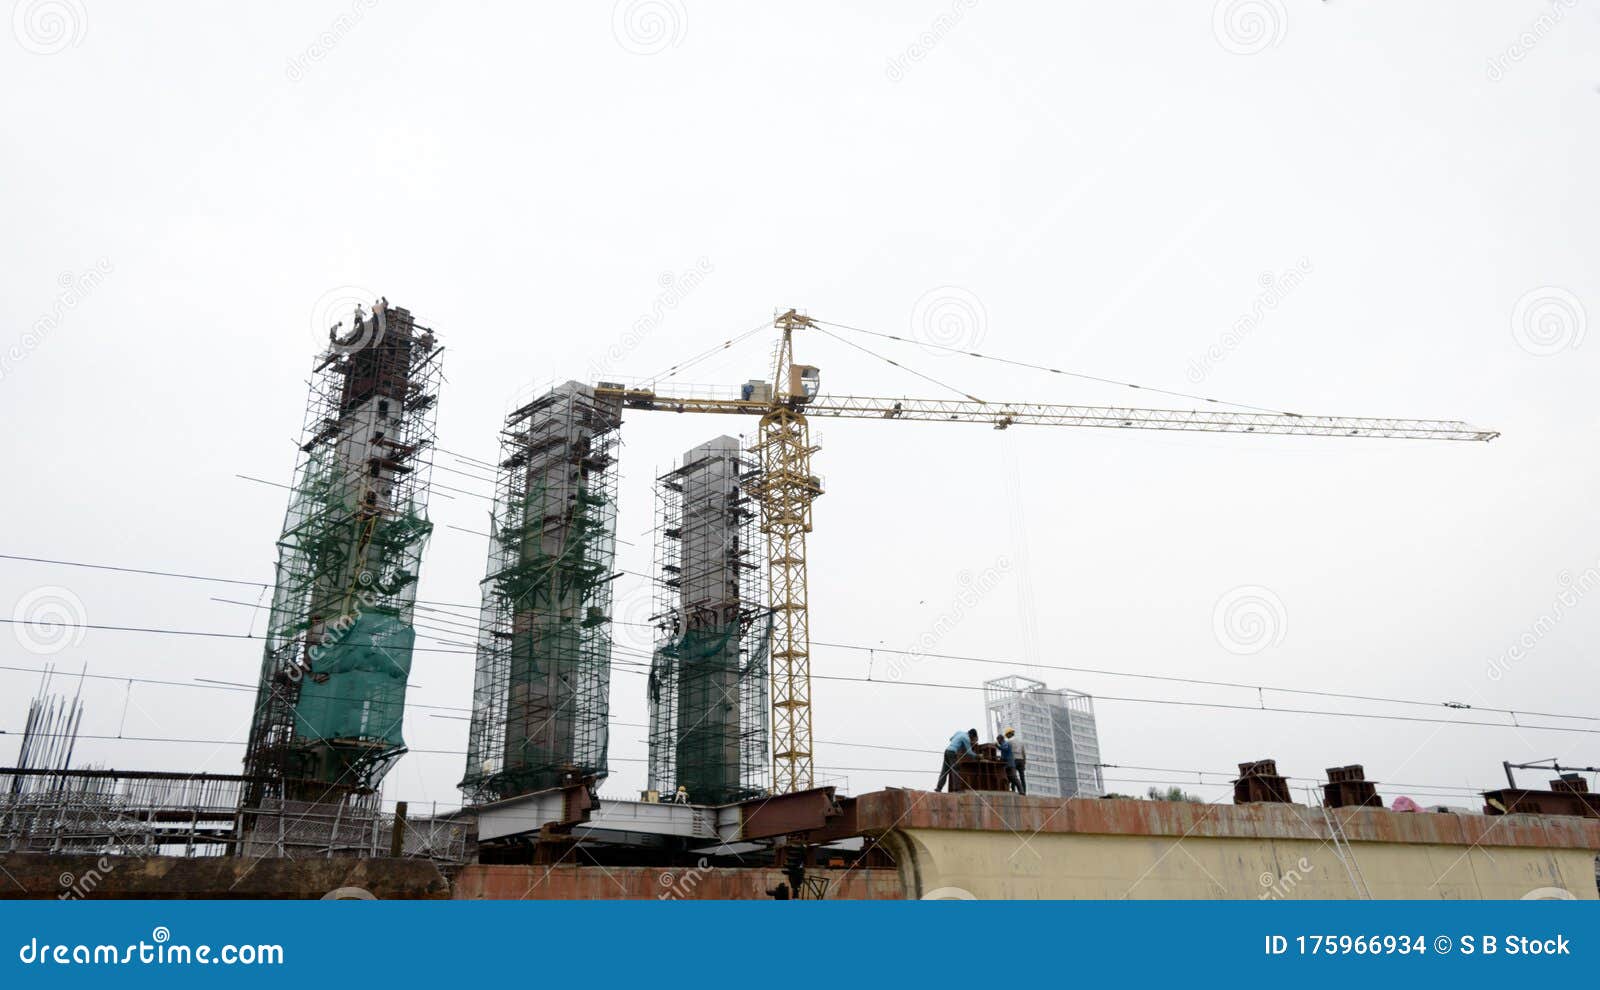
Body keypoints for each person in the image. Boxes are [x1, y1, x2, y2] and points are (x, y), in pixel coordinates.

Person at [1005, 728, 1027, 795]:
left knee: (1013, 776)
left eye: (1007, 735)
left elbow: (1007, 752)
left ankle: (1013, 790)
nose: (1007, 737)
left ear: (1009, 734)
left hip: (1014, 760)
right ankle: (1024, 791)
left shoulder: (1009, 741)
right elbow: (1023, 753)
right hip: (1021, 760)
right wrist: (1024, 762)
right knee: (1022, 777)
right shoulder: (1021, 741)